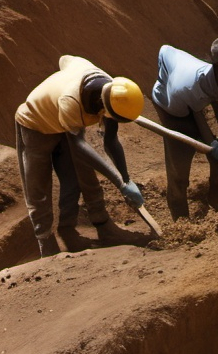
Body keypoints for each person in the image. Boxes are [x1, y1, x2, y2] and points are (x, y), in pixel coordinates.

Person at [14, 56, 145, 258]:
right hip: (35, 124)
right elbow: (80, 146)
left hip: (63, 122)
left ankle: (83, 228)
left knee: (76, 178)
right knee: (38, 187)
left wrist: (127, 179)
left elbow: (65, 60)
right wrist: (119, 182)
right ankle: (46, 244)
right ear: (103, 108)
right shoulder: (72, 102)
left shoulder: (112, 91)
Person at [150, 34, 218, 219]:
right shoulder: (187, 87)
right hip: (173, 107)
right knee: (180, 160)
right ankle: (180, 213)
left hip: (192, 87)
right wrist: (212, 145)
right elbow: (197, 119)